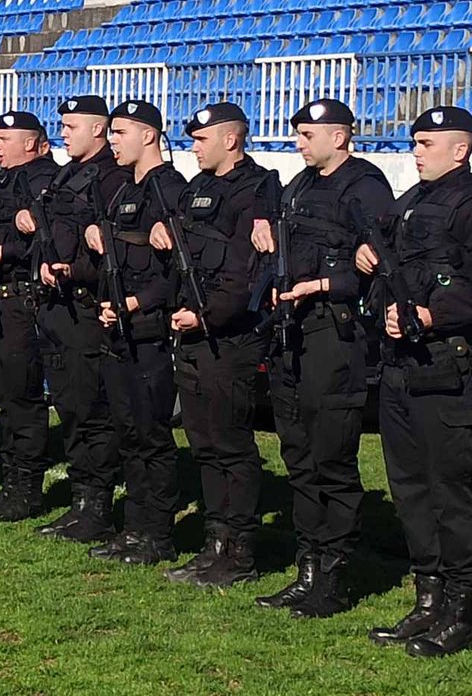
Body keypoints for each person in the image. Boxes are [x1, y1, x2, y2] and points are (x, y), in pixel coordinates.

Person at [253, 98, 392, 618]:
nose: (298, 143)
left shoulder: (365, 185)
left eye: (307, 134)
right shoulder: (300, 184)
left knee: (331, 458)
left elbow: (378, 265)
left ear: (339, 136)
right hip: (294, 334)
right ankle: (307, 567)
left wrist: (325, 283)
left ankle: (334, 575)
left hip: (335, 335)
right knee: (299, 455)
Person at [358, 105, 472, 657]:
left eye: (428, 143)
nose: (417, 151)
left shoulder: (466, 202)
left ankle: (462, 607)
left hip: (446, 366)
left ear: (461, 149)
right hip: (401, 366)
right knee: (410, 489)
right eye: (415, 142)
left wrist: (432, 315)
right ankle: (429, 598)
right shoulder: (413, 201)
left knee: (451, 492)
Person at [152, 102, 273, 587]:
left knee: (230, 444)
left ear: (230, 139)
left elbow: (244, 269)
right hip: (192, 335)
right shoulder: (197, 188)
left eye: (202, 140)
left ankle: (239, 551)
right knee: (203, 444)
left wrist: (206, 316)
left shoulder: (258, 187)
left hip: (227, 338)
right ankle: (215, 543)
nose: (194, 147)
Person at [83, 99, 185, 565]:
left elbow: (178, 272)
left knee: (151, 435)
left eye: (120, 132)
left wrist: (135, 303)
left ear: (147, 135)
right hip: (116, 327)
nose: (113, 141)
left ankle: (157, 533)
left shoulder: (169, 189)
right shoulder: (124, 189)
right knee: (128, 432)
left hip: (148, 331)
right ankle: (135, 527)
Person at [30, 96, 129, 543]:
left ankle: (97, 507)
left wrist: (76, 270)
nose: (64, 133)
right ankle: (80, 499)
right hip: (56, 304)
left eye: (71, 126)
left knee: (91, 411)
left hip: (87, 307)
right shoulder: (66, 174)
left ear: (98, 130)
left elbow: (113, 252)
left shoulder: (112, 177)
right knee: (69, 407)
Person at [0, 111, 60, 521]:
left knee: (23, 400)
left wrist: (9, 250)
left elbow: (49, 235)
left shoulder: (43, 179)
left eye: (5, 139)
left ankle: (26, 490)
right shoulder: (3, 179)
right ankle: (12, 483)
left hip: (22, 299)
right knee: (6, 399)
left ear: (33, 142)